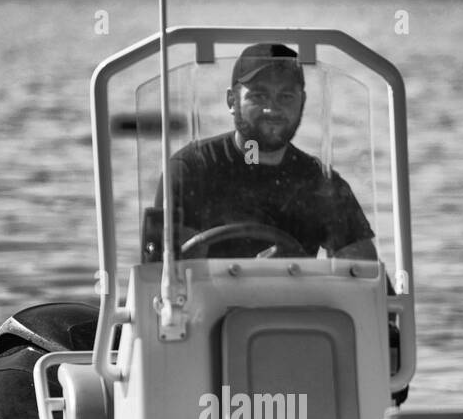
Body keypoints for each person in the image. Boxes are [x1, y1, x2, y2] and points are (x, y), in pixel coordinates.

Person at [155, 43, 378, 260]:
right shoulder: (190, 171)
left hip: (298, 298)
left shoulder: (321, 183)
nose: (272, 109)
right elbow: (166, 278)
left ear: (303, 102)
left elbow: (366, 281)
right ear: (232, 101)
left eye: (286, 97)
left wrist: (299, 275)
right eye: (259, 96)